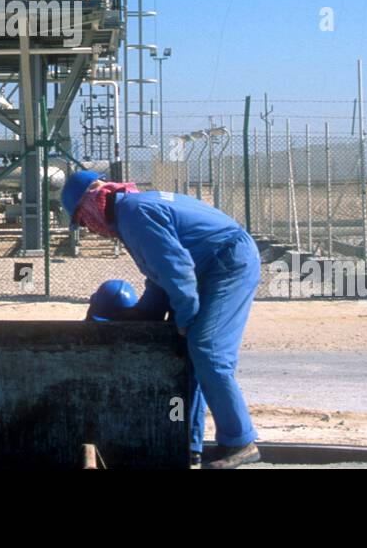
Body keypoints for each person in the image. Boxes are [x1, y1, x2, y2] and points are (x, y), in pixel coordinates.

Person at [62, 170, 262, 469]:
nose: (89, 229)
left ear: (90, 202)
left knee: (206, 348)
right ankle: (188, 445)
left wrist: (184, 318)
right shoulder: (129, 212)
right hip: (210, 265)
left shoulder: (133, 213)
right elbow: (159, 277)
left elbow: (176, 270)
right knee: (184, 350)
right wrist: (144, 319)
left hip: (227, 262)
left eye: (82, 220)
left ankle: (241, 442)